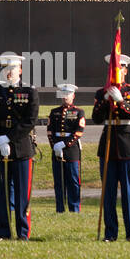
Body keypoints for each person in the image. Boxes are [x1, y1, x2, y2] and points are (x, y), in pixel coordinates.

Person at [0, 52, 39, 240]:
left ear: (20, 70)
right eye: (5, 68)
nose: (9, 72)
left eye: (13, 68)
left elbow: (30, 121)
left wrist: (8, 138)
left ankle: (23, 232)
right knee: (1, 192)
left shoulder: (30, 91)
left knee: (22, 194)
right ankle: (3, 232)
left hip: (21, 148)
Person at [92, 54, 130, 241]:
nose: (116, 71)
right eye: (113, 68)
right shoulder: (101, 93)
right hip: (108, 145)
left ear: (125, 70)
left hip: (127, 146)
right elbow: (97, 118)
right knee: (108, 193)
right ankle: (110, 233)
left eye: (119, 68)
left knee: (128, 192)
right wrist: (106, 99)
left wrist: (121, 101)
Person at [48, 84, 86, 214]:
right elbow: (50, 131)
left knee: (73, 180)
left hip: (71, 150)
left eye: (68, 94)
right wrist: (54, 146)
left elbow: (79, 132)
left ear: (73, 96)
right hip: (57, 148)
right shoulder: (54, 112)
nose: (65, 97)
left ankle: (74, 208)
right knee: (59, 181)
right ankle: (60, 209)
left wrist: (65, 144)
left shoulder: (79, 112)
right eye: (63, 94)